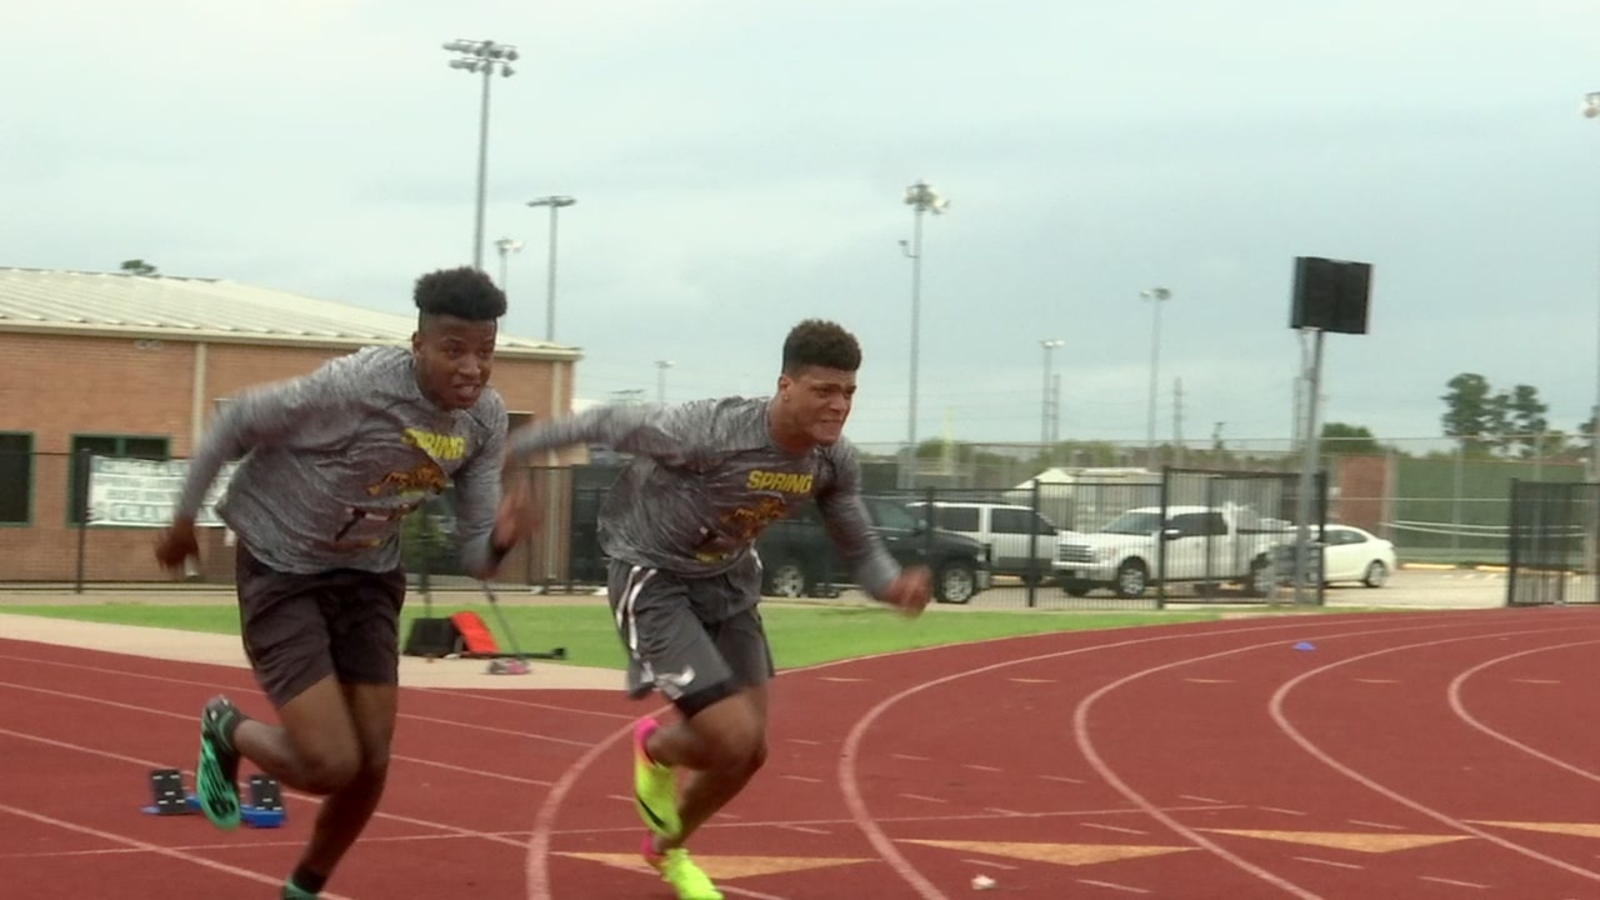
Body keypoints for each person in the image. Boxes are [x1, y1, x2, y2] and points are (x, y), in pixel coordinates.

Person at [502, 318, 931, 900]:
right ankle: (655, 748)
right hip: (653, 575)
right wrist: (512, 456)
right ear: (786, 385)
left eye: (849, 393)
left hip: (728, 584)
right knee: (728, 737)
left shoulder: (832, 462)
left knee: (748, 752)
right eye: (824, 391)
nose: (839, 406)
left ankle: (669, 850)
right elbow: (605, 421)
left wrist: (892, 586)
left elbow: (857, 543)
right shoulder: (709, 429)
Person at [154, 266, 535, 900]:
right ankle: (226, 727)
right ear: (418, 345)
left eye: (486, 353)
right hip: (284, 566)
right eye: (454, 350)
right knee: (331, 763)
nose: (472, 368)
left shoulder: (484, 422)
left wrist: (500, 537)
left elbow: (476, 558)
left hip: (367, 576)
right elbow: (237, 420)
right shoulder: (356, 387)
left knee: (370, 764)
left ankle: (303, 888)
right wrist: (184, 516)